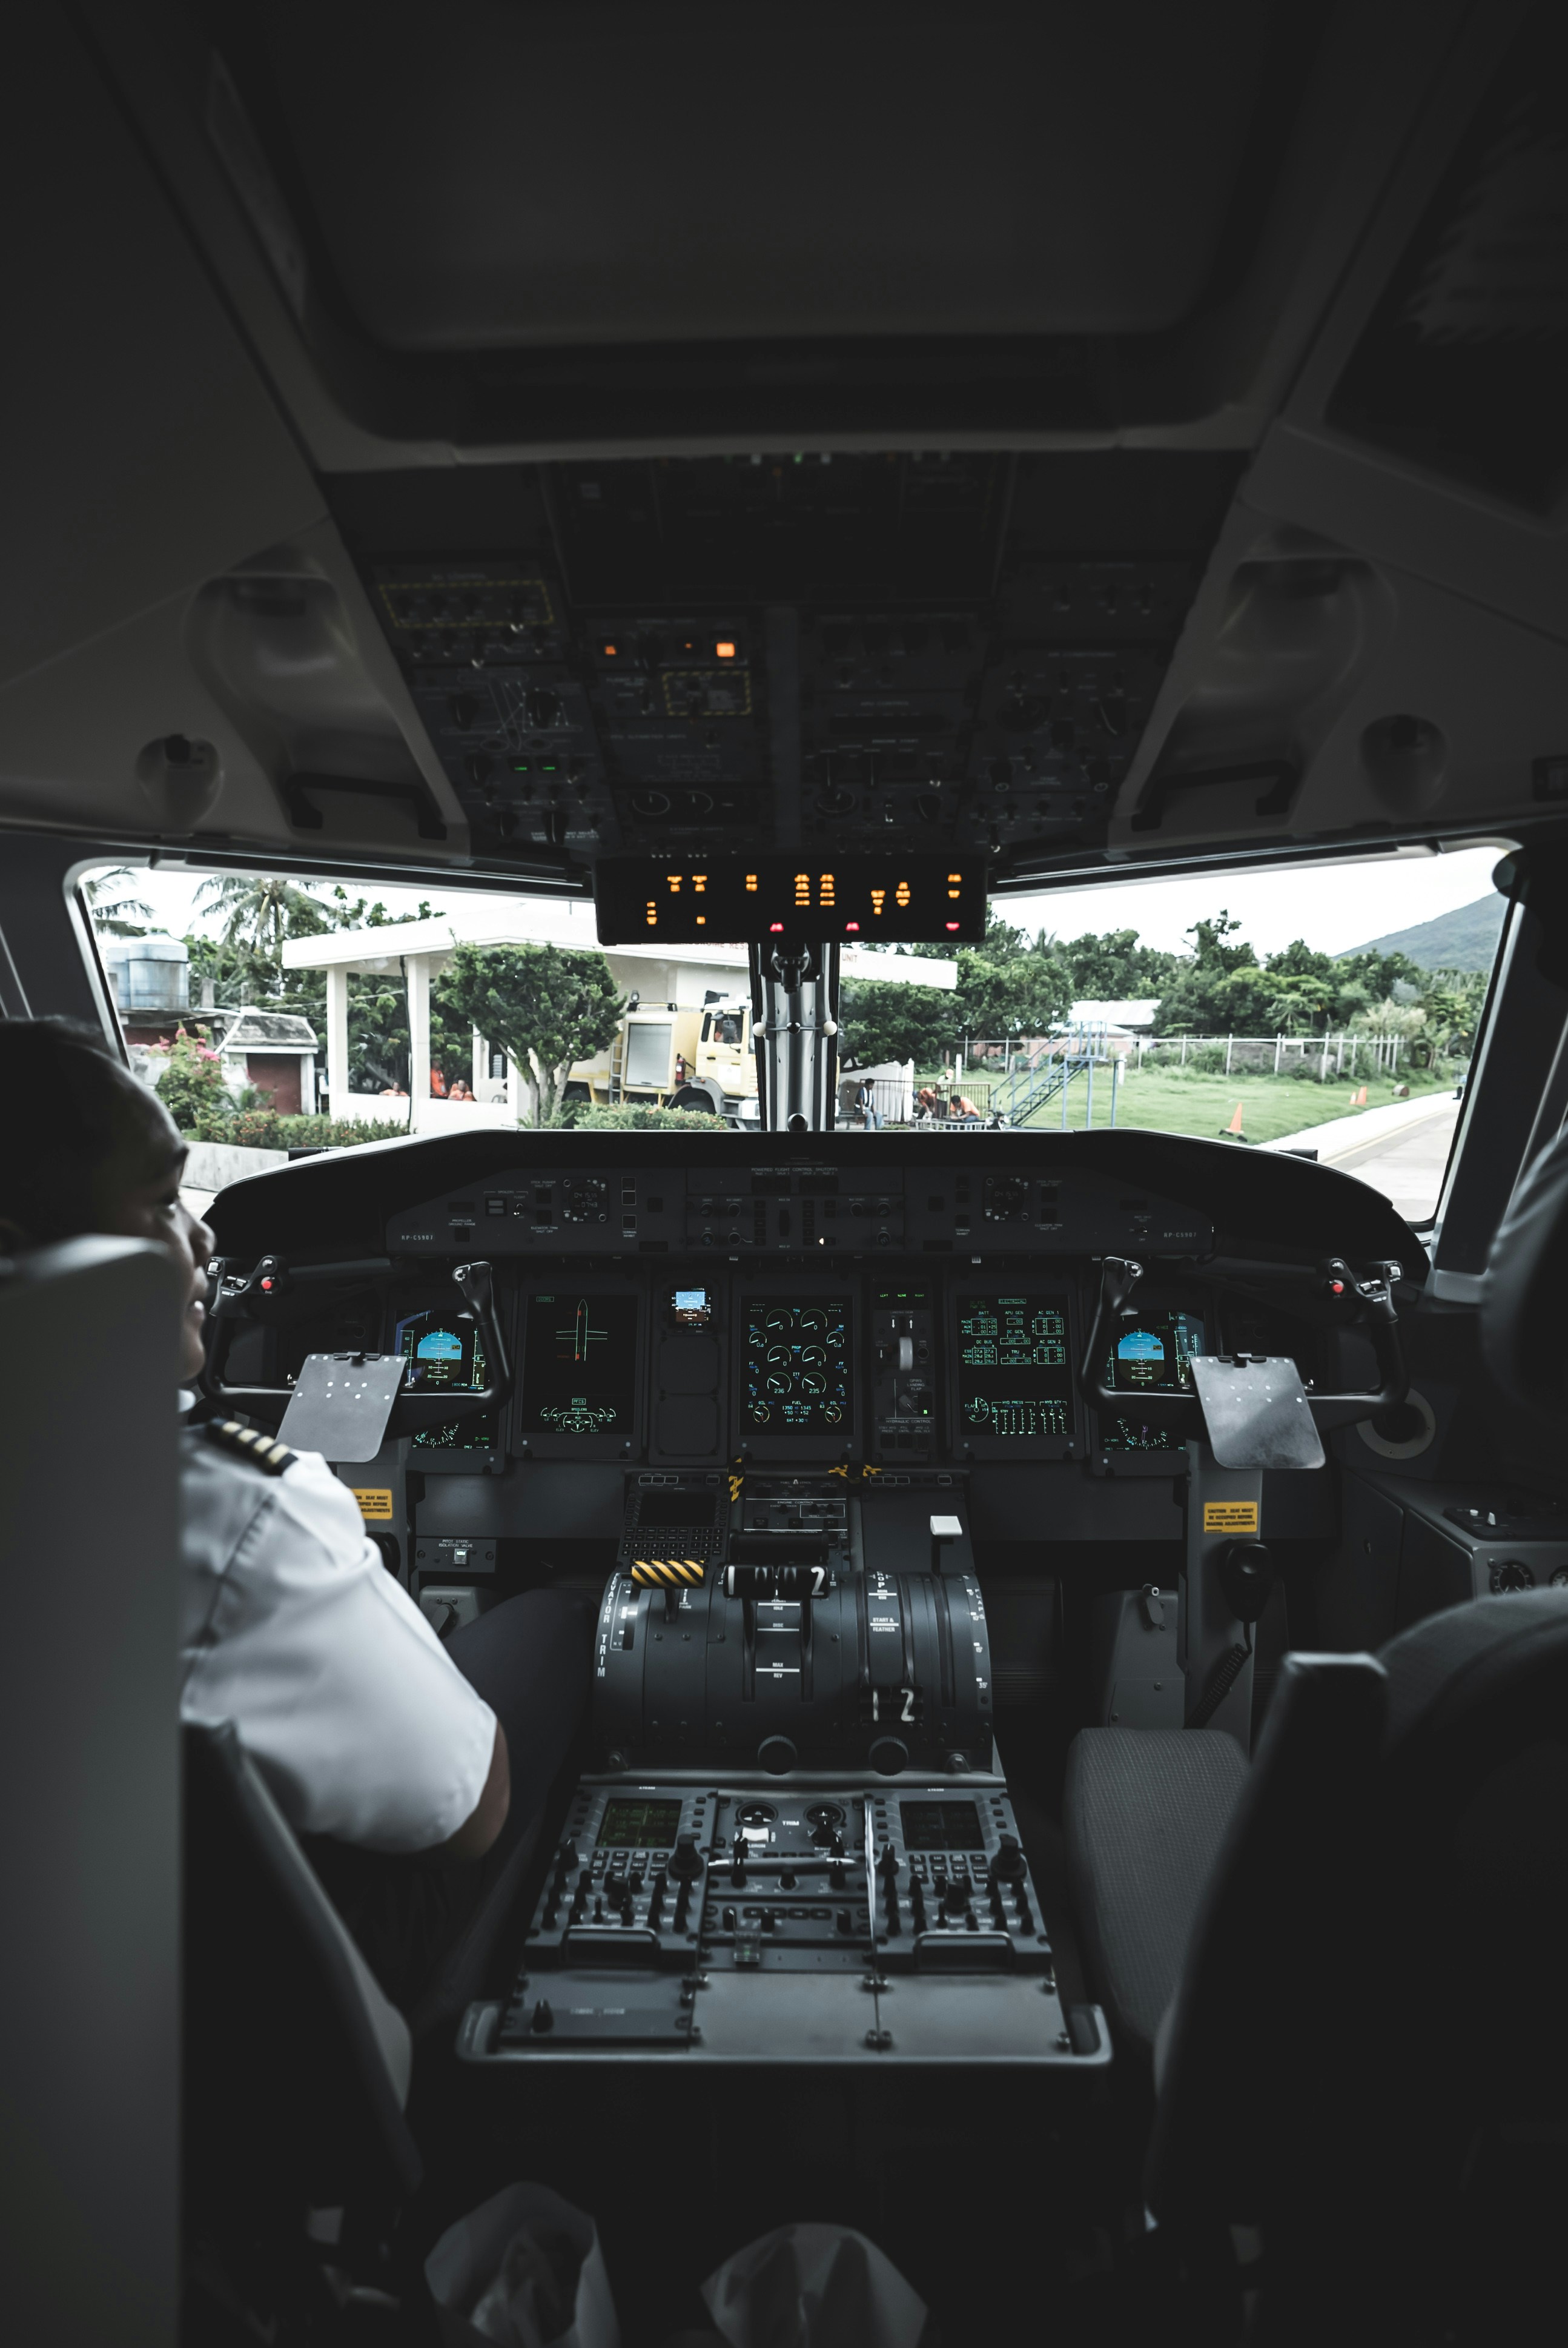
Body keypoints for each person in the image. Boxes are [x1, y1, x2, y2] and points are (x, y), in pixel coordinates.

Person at [0, 1018, 588, 2011]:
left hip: (83, 1983)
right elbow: (470, 1816)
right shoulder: (223, 1508)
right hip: (249, 2016)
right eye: (158, 1202)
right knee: (562, 1623)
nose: (204, 1236)